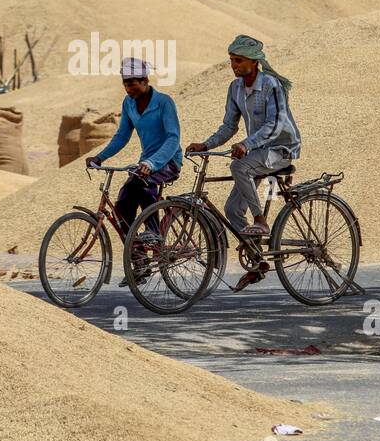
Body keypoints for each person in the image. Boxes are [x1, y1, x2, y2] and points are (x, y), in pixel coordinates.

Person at [188, 34, 301, 288]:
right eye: (231, 60)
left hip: (281, 149)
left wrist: (246, 144)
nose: (234, 65)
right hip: (258, 152)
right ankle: (258, 260)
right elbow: (229, 125)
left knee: (239, 165)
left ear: (253, 62)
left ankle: (260, 221)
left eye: (238, 60)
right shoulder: (235, 88)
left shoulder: (272, 85)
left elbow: (277, 124)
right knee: (230, 210)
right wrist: (206, 144)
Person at [87, 58, 182, 244]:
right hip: (145, 163)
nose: (129, 89)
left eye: (133, 85)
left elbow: (173, 137)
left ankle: (154, 231)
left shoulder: (164, 102)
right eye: (125, 85)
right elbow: (122, 136)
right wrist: (100, 157)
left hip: (168, 161)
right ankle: (139, 259)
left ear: (145, 80)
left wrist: (152, 163)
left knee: (142, 183)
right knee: (122, 205)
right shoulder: (128, 103)